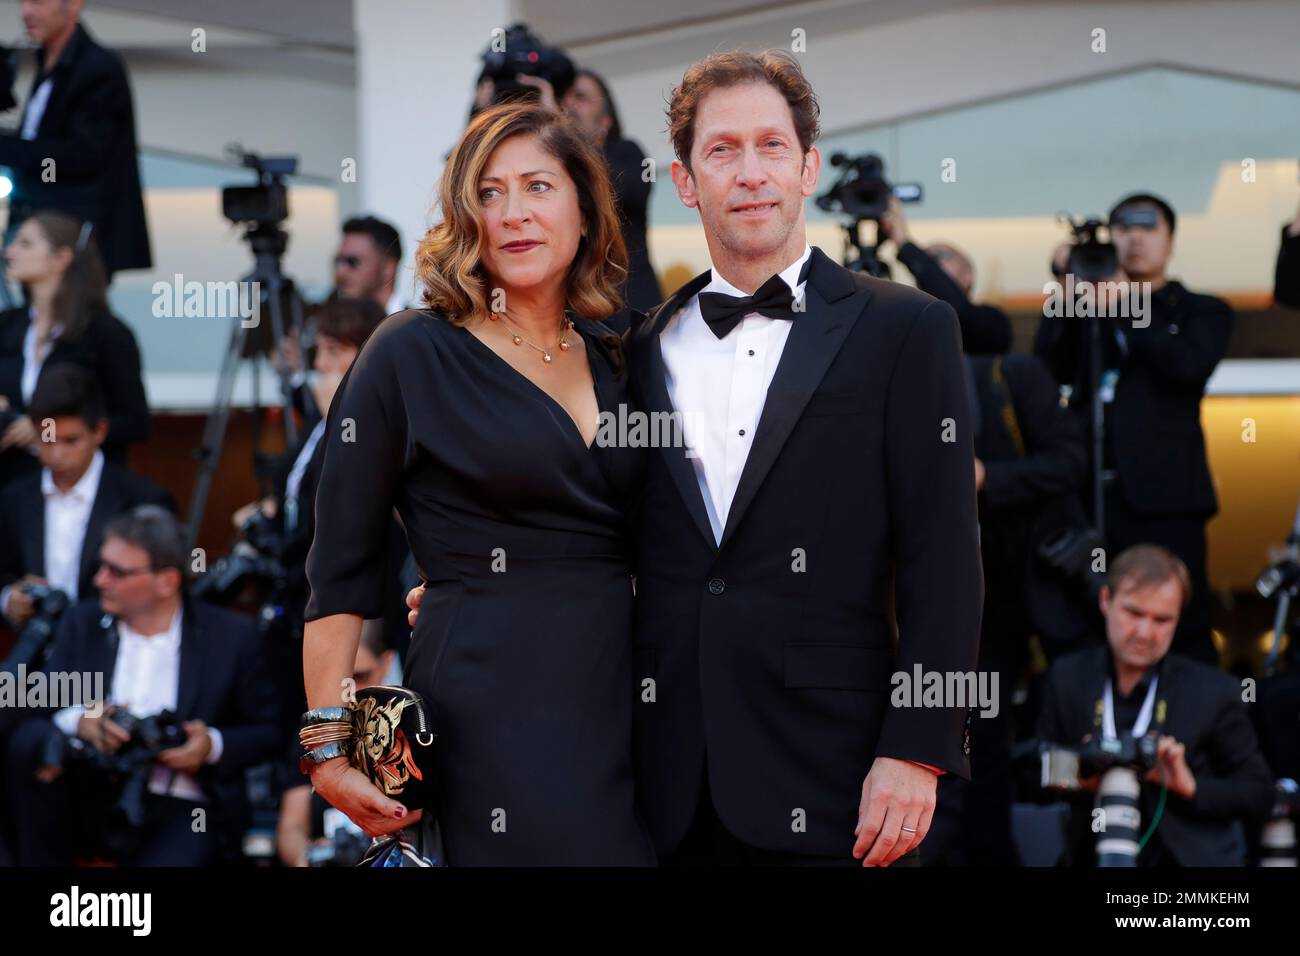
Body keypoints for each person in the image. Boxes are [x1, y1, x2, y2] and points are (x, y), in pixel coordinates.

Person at [410, 49, 983, 867]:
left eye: (771, 147)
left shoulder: (909, 330)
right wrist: (485, 583)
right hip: (661, 778)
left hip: (840, 778)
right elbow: (600, 532)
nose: (749, 174)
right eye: (722, 151)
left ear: (807, 167)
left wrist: (918, 749)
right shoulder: (633, 347)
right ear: (685, 181)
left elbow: (947, 561)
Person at [302, 101, 655, 865]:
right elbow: (340, 564)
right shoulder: (410, 353)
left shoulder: (626, 353)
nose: (513, 215)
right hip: (484, 699)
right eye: (488, 194)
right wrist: (328, 751)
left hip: (630, 696)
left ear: (587, 211)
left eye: (537, 187)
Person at [5, 505, 280, 865]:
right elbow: (30, 706)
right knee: (28, 748)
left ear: (166, 580)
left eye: (117, 572)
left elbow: (271, 732)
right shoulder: (82, 622)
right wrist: (80, 722)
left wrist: (209, 746)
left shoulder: (231, 636)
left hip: (182, 802)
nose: (100, 580)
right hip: (88, 792)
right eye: (102, 566)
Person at [1035, 193, 1233, 665]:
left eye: (1149, 228)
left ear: (1170, 240)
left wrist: (1126, 304)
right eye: (1125, 228)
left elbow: (1185, 367)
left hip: (1167, 501)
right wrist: (1067, 296)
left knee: (1178, 620)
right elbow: (1046, 371)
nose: (1136, 238)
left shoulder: (1202, 310)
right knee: (1088, 622)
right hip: (1089, 498)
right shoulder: (1088, 307)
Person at [1037, 544, 1274, 866]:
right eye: (1133, 613)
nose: (1145, 632)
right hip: (1089, 853)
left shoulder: (1213, 690)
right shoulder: (1067, 677)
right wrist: (1076, 775)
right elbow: (1028, 769)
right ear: (1106, 600)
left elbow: (1259, 793)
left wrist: (1189, 786)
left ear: (1179, 619)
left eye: (1162, 619)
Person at [0, 364, 171, 630]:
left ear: (99, 432)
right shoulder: (12, 500)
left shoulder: (143, 500)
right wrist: (9, 598)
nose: (56, 454)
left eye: (70, 441)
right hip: (33, 657)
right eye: (46, 441)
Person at [0, 0, 150, 280]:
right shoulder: (49, 63)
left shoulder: (96, 67)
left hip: (72, 238)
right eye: (22, 2)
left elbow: (83, 155)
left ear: (74, 4)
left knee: (70, 320)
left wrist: (9, 149)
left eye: (38, 1)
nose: (26, 12)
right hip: (38, 229)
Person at [0, 211, 149, 485]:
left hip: (83, 488)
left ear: (61, 258)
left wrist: (48, 431)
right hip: (14, 491)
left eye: (25, 244)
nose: (10, 252)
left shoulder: (106, 333)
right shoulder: (7, 327)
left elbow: (135, 421)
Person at [276, 620, 394, 867]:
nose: (350, 693)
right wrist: (308, 859)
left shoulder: (413, 732)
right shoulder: (313, 734)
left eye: (360, 676)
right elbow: (291, 827)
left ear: (386, 663)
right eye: (341, 681)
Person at [561, 69, 663, 316]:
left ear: (606, 120)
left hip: (631, 305)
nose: (568, 105)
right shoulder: (550, 167)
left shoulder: (627, 152)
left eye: (580, 97)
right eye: (562, 98)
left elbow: (622, 192)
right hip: (575, 308)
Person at [879, 196, 1012, 354]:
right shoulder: (908, 326)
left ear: (968, 275)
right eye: (928, 259)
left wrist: (905, 245)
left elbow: (957, 313)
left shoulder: (992, 320)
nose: (932, 265)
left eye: (939, 256)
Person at [333, 215, 405, 316]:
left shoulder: (421, 327)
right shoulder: (325, 326)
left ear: (388, 268)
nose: (341, 271)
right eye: (338, 261)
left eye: (353, 262)